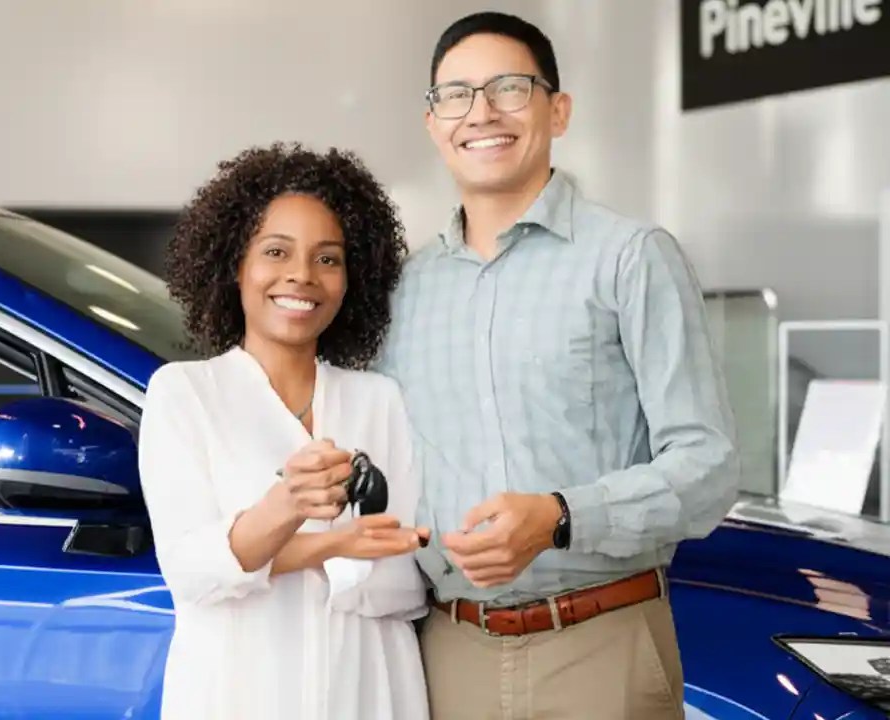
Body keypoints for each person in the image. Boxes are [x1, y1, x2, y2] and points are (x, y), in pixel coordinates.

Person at [375, 11, 741, 720]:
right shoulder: (404, 289)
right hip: (446, 652)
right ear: (432, 122)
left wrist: (561, 517)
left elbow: (709, 465)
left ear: (558, 109)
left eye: (509, 87)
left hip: (600, 644)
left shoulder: (631, 258)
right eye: (455, 95)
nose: (481, 113)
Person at [138, 142, 431, 720]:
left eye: (328, 259)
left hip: (368, 692)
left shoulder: (381, 400)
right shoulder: (185, 394)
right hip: (237, 694)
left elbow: (402, 583)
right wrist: (318, 531)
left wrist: (272, 551)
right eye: (276, 251)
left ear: (353, 279)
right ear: (236, 266)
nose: (302, 275)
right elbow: (193, 573)